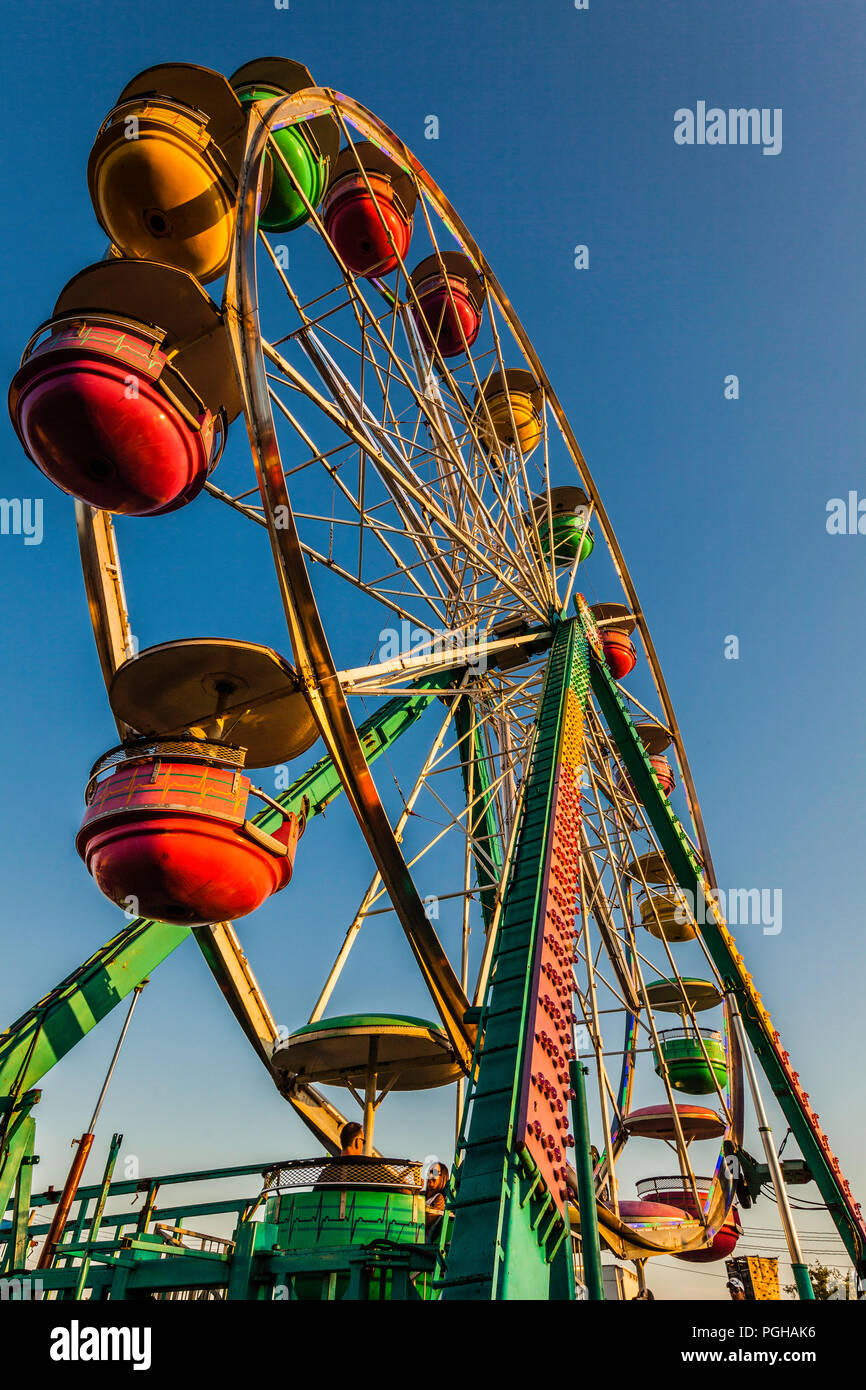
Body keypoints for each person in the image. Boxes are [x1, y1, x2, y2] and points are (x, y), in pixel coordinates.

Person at [424, 1161, 449, 1237]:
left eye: (435, 1172)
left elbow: (424, 1223)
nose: (430, 1175)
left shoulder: (439, 1198)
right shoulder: (421, 1194)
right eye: (429, 1172)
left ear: (442, 1178)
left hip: (421, 1240)